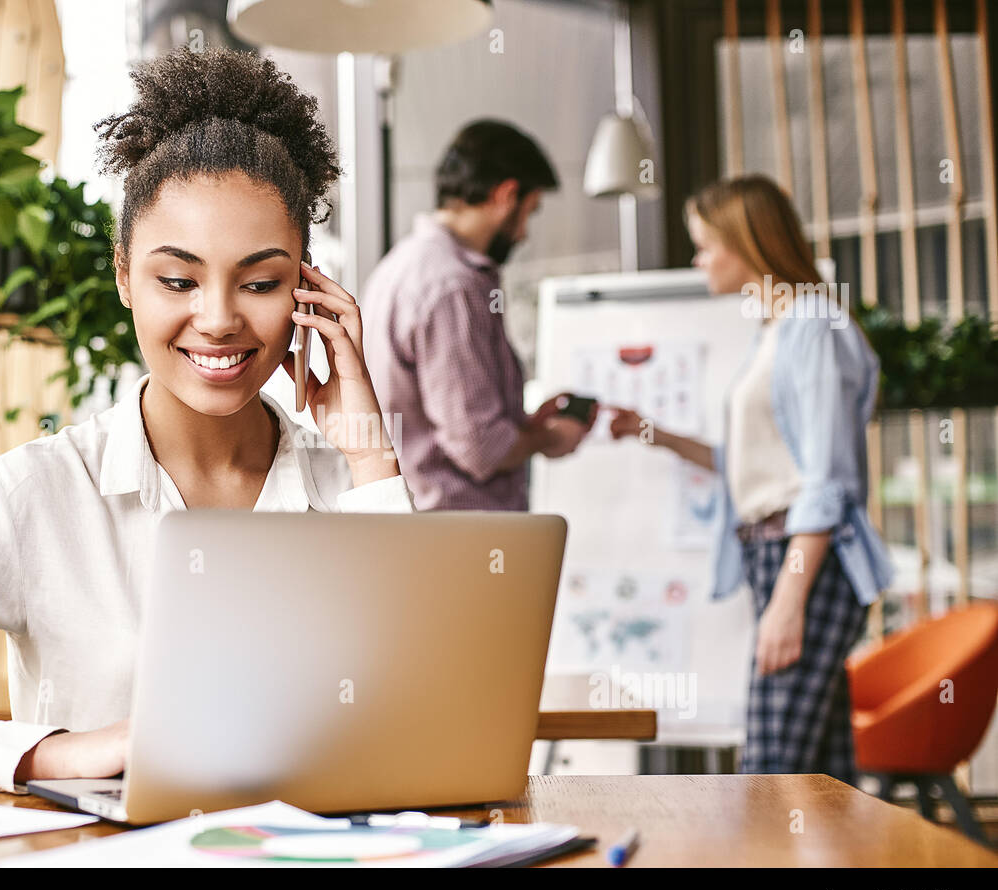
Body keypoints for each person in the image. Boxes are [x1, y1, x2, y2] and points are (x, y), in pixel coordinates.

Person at [0, 48, 415, 792]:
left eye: (262, 281)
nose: (217, 319)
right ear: (123, 276)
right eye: (177, 279)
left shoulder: (353, 488)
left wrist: (370, 455)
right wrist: (52, 753)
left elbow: (428, 713)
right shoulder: (39, 492)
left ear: (309, 285)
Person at [610, 175, 893, 784]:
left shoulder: (812, 327)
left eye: (706, 245)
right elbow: (748, 464)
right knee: (821, 781)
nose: (698, 259)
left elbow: (825, 480)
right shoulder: (775, 331)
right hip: (778, 559)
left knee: (768, 777)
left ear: (747, 245)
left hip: (807, 566)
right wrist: (648, 431)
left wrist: (790, 601)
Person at [361, 119, 593, 511]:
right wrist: (552, 438)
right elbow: (479, 447)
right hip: (460, 537)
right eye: (530, 212)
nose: (523, 235)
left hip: (421, 529)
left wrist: (527, 425)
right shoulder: (452, 286)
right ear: (507, 195)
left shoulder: (401, 266)